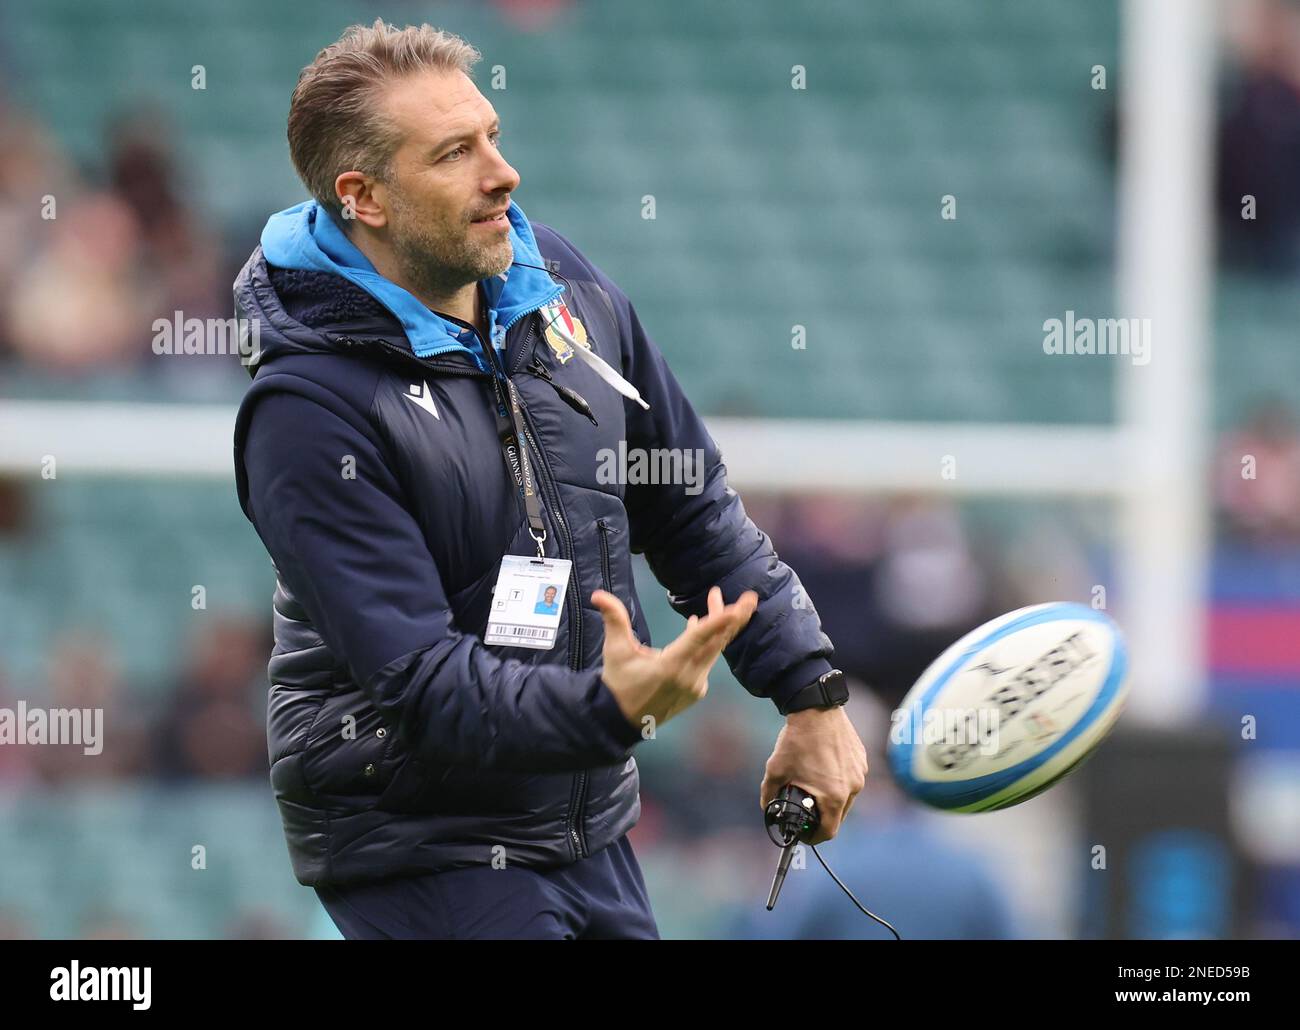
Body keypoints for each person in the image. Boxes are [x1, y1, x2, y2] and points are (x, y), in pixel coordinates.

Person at [232, 20, 866, 940]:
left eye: (492, 135)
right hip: (427, 846)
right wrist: (610, 707)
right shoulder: (306, 412)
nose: (502, 171)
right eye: (455, 153)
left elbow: (689, 507)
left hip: (591, 828)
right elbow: (422, 688)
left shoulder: (560, 283)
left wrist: (809, 693)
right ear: (362, 195)